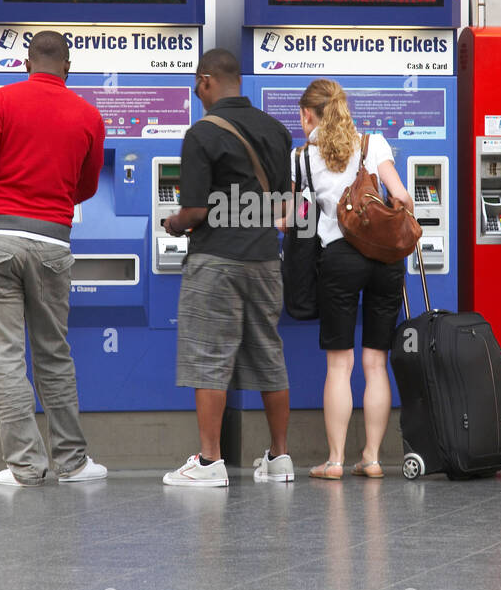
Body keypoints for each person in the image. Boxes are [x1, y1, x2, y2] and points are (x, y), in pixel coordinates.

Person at [0, 30, 109, 487]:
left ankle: (25, 467)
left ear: (26, 63)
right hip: (51, 243)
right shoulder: (87, 114)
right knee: (54, 354)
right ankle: (73, 463)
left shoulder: (2, 101)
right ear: (67, 68)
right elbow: (86, 186)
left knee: (4, 357)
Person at [160, 48, 294, 487]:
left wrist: (173, 223)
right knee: (269, 355)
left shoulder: (201, 133)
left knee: (209, 357)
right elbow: (283, 202)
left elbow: (196, 210)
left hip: (216, 260)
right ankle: (279, 458)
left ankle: (209, 462)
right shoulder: (277, 131)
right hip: (264, 260)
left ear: (205, 82)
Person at [295, 79, 413, 480]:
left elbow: (298, 218)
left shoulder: (304, 158)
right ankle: (374, 458)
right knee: (376, 363)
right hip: (383, 258)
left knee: (339, 365)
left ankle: (334, 461)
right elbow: (402, 197)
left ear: (310, 115)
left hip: (340, 258)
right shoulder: (372, 144)